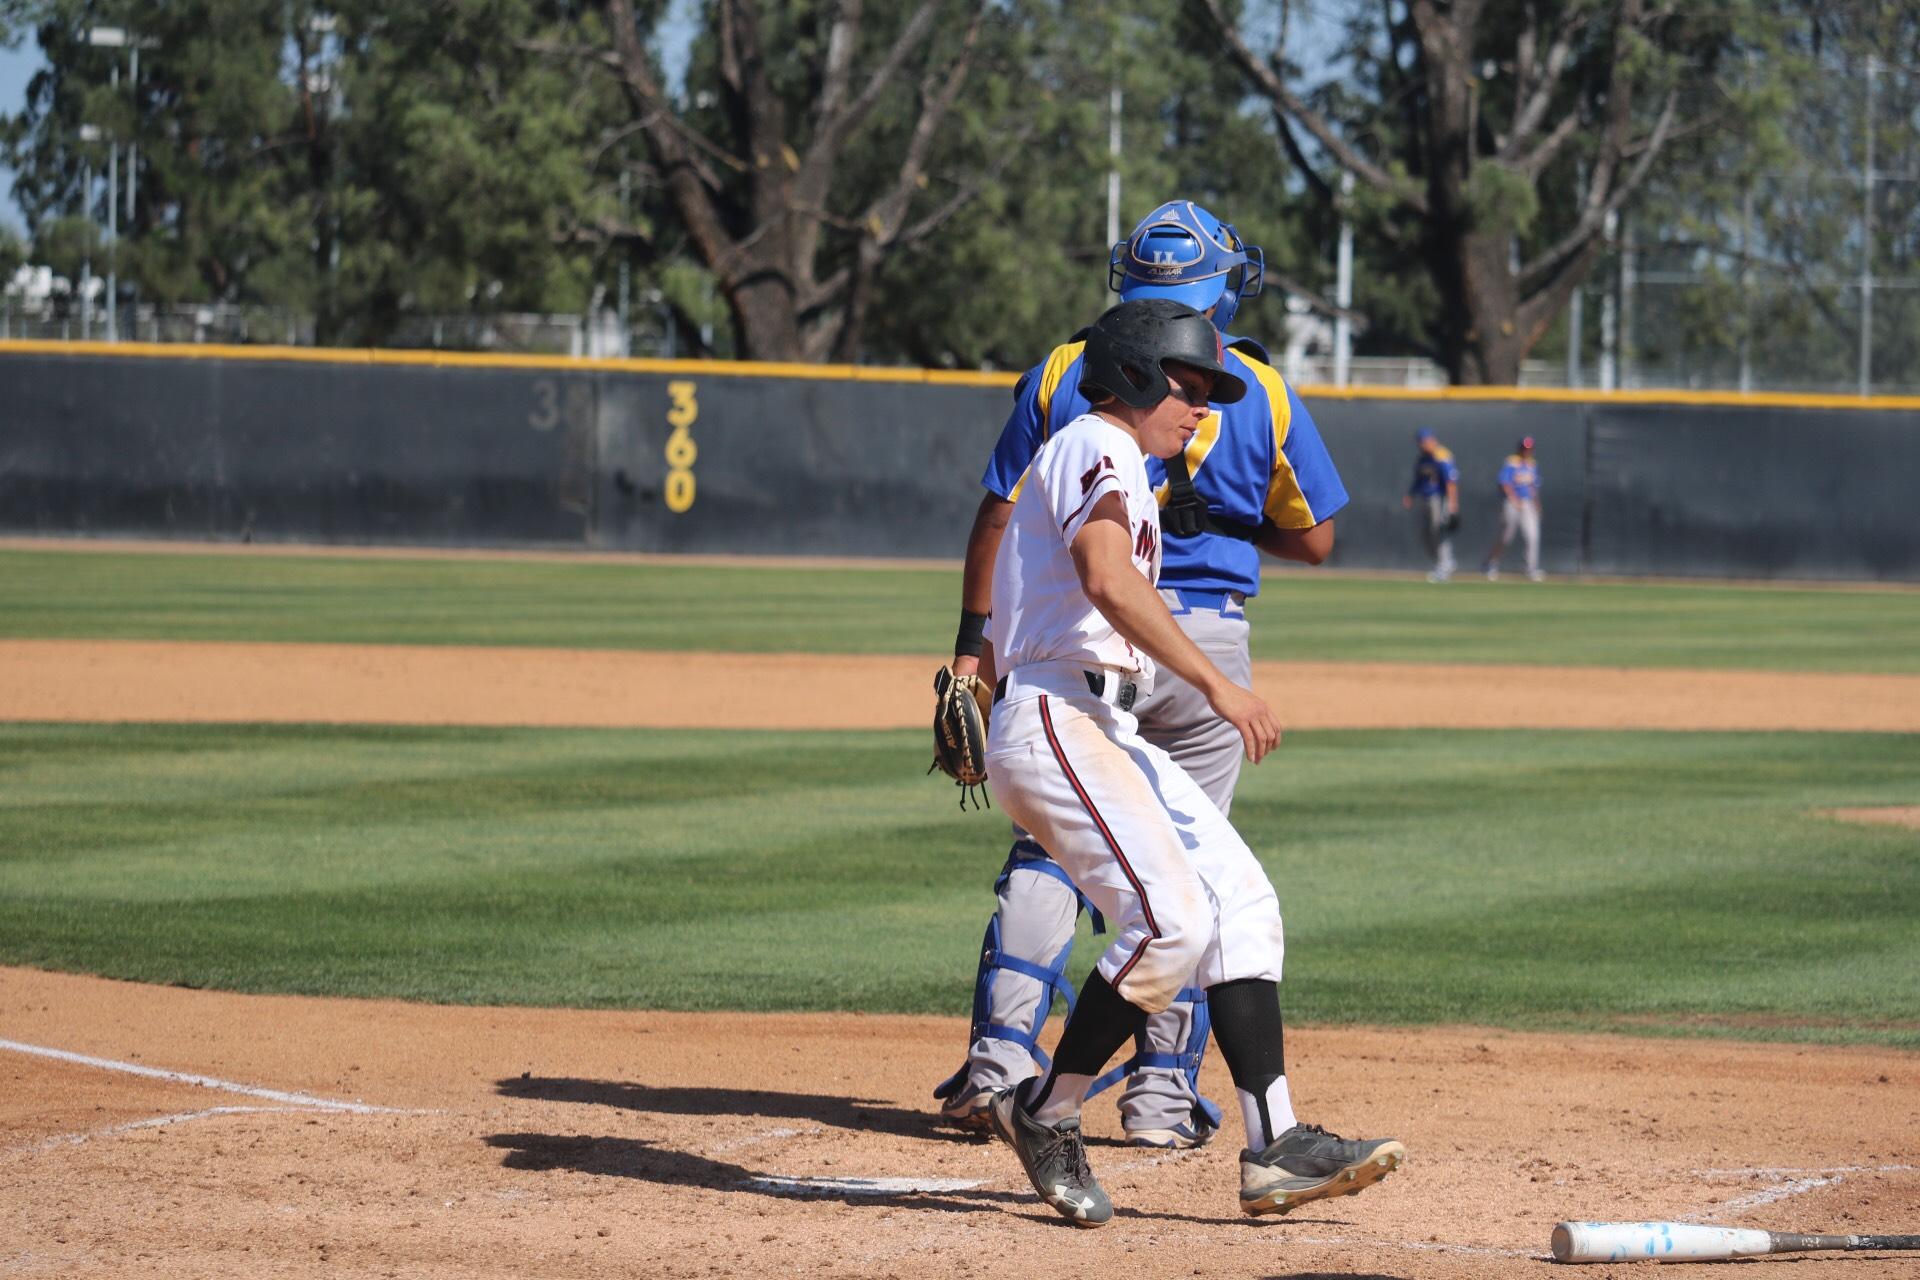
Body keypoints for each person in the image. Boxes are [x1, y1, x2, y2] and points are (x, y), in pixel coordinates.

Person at [976, 297, 1405, 1227]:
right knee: (1169, 922)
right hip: (1058, 715)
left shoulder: (1126, 461)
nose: (1203, 406)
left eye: (1211, 390)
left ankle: (1275, 1143)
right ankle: (1045, 1111)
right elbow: (1104, 576)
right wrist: (1219, 686)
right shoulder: (1094, 442)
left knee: (1238, 901)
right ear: (1132, 374)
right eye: (1189, 385)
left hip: (1102, 719)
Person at [931, 199, 1347, 1149]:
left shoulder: (1060, 377)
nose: (1201, 404)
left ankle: (1003, 1067)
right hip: (1133, 659)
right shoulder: (1228, 397)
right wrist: (1220, 667)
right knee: (1170, 895)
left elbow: (999, 515)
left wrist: (970, 648)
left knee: (1150, 882)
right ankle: (1154, 1096)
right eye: (1189, 388)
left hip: (1103, 663)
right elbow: (1307, 538)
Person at [1483, 436, 1543, 581]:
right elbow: (1504, 483)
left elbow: (1533, 487)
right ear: (1519, 448)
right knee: (1506, 537)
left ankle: (1530, 568)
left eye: (1529, 448)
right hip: (1512, 502)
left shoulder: (1532, 464)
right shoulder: (1511, 462)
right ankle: (1491, 563)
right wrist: (1514, 499)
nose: (1527, 451)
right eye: (1524, 448)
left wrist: (1536, 503)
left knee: (1532, 536)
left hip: (1527, 503)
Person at [1402, 428, 1459, 582]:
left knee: (1437, 531)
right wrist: (1410, 495)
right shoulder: (1422, 458)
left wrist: (1453, 504)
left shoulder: (1442, 455)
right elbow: (1418, 479)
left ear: (1432, 440)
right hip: (1425, 498)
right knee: (1426, 535)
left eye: (1425, 441)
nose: (1422, 444)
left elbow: (1451, 482)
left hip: (1439, 498)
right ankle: (1444, 562)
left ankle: (1445, 565)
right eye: (1420, 442)